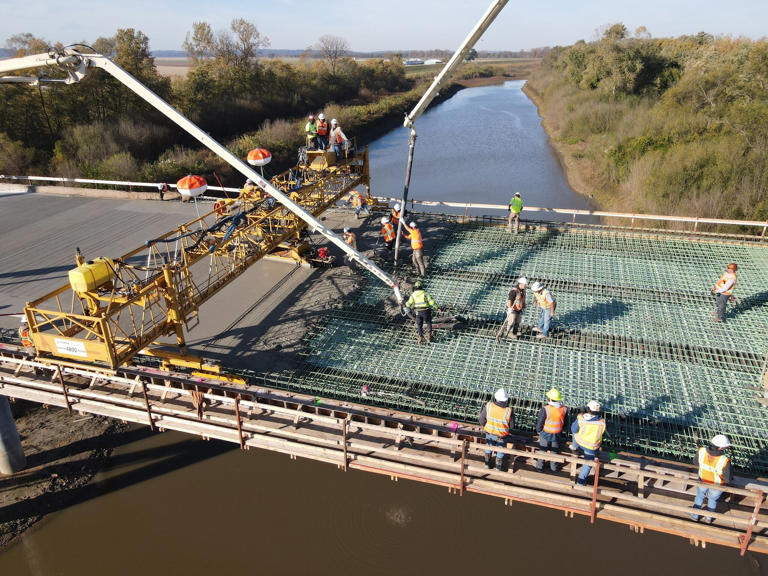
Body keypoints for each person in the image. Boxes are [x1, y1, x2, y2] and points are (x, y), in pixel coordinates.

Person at [691, 434, 732, 524]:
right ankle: (708, 518)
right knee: (713, 500)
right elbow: (727, 479)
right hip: (716, 485)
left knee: (700, 496)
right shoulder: (725, 460)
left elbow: (695, 462)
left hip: (703, 480)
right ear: (721, 448)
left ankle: (695, 515)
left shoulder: (701, 451)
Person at [570, 400, 606, 486]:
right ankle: (580, 483)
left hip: (580, 442)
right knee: (588, 464)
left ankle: (574, 449)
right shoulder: (602, 422)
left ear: (588, 409)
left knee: (575, 434)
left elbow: (573, 429)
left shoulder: (581, 418)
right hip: (591, 447)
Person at [479, 388, 514, 471]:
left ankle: (487, 464)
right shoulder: (509, 411)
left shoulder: (489, 406)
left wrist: (485, 426)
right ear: (506, 399)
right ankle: (498, 467)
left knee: (489, 447)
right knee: (500, 450)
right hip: (502, 435)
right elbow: (512, 426)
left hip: (490, 433)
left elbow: (481, 419)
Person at [535, 388, 566, 472]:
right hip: (556, 434)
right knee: (554, 452)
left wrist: (539, 430)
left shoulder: (545, 409)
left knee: (543, 450)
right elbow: (565, 422)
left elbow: (540, 421)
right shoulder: (564, 409)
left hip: (545, 433)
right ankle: (554, 468)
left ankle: (539, 467)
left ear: (550, 399)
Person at [404, 279, 438, 343]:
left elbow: (408, 303)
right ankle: (429, 336)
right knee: (429, 322)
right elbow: (431, 302)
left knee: (419, 324)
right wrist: (437, 307)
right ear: (422, 287)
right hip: (425, 311)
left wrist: (404, 305)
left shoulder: (413, 295)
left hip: (418, 312)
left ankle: (420, 338)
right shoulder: (425, 293)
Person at [497, 276, 527, 341]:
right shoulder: (514, 291)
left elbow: (523, 300)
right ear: (520, 284)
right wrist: (510, 308)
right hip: (513, 310)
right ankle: (509, 333)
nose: (525, 286)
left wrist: (524, 308)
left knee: (518, 321)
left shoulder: (523, 291)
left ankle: (515, 332)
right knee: (511, 322)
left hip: (519, 309)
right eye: (525, 284)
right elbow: (509, 301)